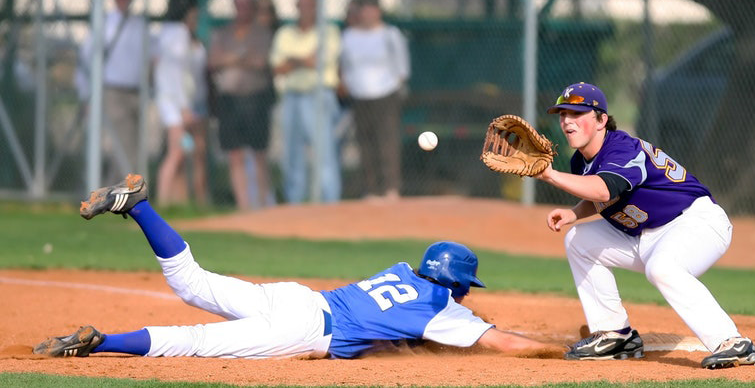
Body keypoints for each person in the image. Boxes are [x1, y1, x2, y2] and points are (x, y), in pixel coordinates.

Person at [33, 174, 557, 360]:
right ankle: (101, 342)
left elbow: (404, 326)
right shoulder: (442, 310)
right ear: (456, 285)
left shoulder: (401, 270)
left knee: (190, 283)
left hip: (297, 297)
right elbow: (502, 342)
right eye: (465, 289)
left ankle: (140, 205)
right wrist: (561, 352)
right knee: (192, 340)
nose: (465, 297)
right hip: (304, 328)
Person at [534, 82, 755, 369]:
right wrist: (574, 214)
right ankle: (615, 336)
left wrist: (549, 176)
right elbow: (607, 196)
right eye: (562, 114)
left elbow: (606, 189)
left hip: (695, 222)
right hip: (646, 234)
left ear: (601, 120)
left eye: (577, 113)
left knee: (663, 268)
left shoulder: (622, 149)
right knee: (578, 240)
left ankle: (733, 342)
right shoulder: (580, 161)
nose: (567, 120)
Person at [74, 0, 150, 183]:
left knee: (132, 146)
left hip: (136, 91)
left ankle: (117, 192)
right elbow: (85, 61)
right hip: (113, 91)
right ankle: (124, 193)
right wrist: (85, 94)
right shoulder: (105, 25)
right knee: (124, 146)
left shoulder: (139, 25)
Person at [271, 0, 342, 204]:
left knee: (324, 153)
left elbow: (318, 62)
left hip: (318, 95)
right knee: (292, 155)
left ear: (317, 6)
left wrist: (293, 61)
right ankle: (295, 204)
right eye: (301, 4)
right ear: (296, 7)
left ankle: (329, 203)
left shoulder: (328, 31)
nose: (305, 8)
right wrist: (303, 60)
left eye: (310, 3)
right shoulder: (285, 33)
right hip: (291, 96)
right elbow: (278, 68)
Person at [339, 0, 409, 201]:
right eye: (364, 9)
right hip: (359, 96)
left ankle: (391, 188)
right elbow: (344, 66)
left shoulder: (390, 34)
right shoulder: (349, 36)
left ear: (378, 11)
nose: (368, 14)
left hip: (386, 94)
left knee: (387, 141)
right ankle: (371, 190)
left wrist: (395, 86)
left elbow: (401, 67)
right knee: (365, 143)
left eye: (372, 9)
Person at [208, 0, 273, 210]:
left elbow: (260, 62)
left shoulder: (261, 33)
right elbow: (213, 61)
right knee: (234, 154)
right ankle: (244, 207)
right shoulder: (223, 32)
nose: (242, 9)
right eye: (239, 4)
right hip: (229, 101)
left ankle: (263, 205)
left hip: (255, 100)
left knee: (259, 154)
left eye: (247, 5)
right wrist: (240, 57)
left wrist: (229, 59)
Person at [153, 0, 209, 206]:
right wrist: (184, 108)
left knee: (185, 151)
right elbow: (176, 74)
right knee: (177, 153)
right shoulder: (178, 34)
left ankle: (178, 202)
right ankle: (163, 202)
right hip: (175, 105)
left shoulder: (166, 33)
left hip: (173, 102)